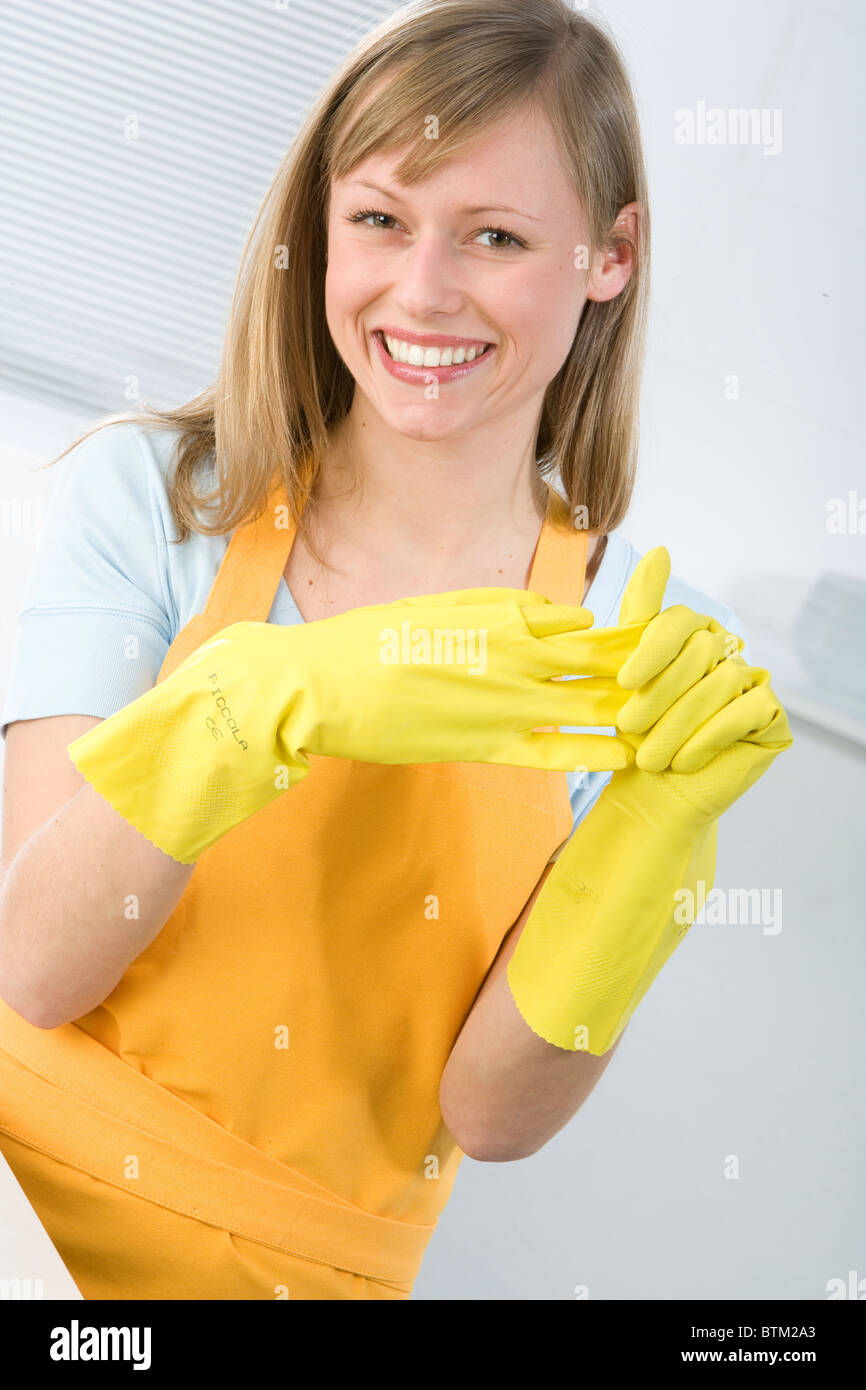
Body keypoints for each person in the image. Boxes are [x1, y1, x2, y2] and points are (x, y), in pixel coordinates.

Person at [0, 0, 790, 1300]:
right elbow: (34, 966)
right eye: (378, 219)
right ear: (319, 225)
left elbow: (492, 1113)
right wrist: (253, 702)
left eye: (493, 234)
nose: (421, 292)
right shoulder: (158, 498)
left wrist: (653, 844)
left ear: (610, 253)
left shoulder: (625, 644)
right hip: (19, 1221)